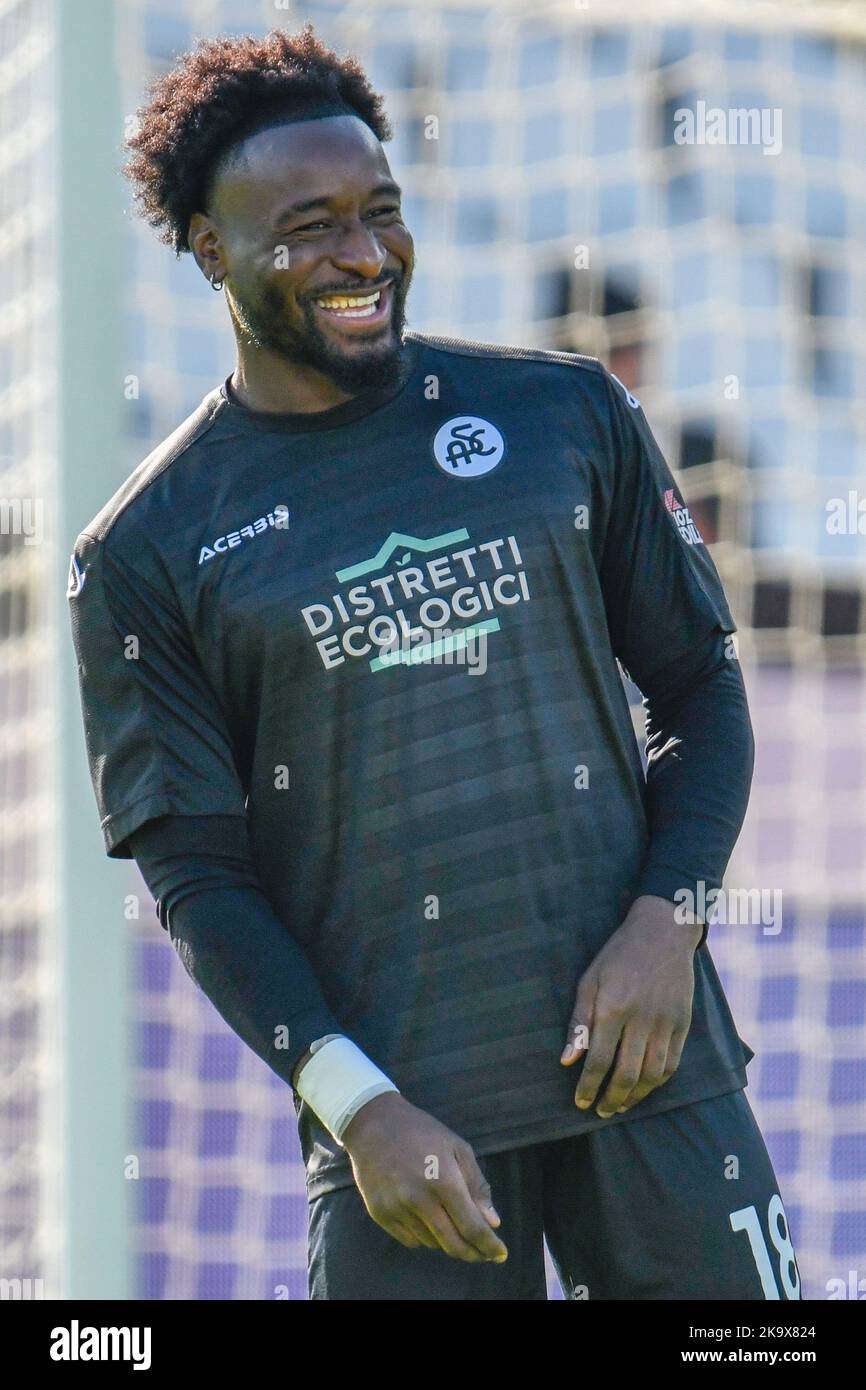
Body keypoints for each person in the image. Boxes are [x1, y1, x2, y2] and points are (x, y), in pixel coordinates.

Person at [68, 26, 799, 1300]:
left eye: (379, 211)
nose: (361, 255)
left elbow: (699, 692)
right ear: (206, 249)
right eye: (305, 227)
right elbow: (197, 872)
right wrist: (354, 1107)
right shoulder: (145, 550)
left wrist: (667, 918)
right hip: (407, 1147)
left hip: (652, 1072)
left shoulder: (564, 416)